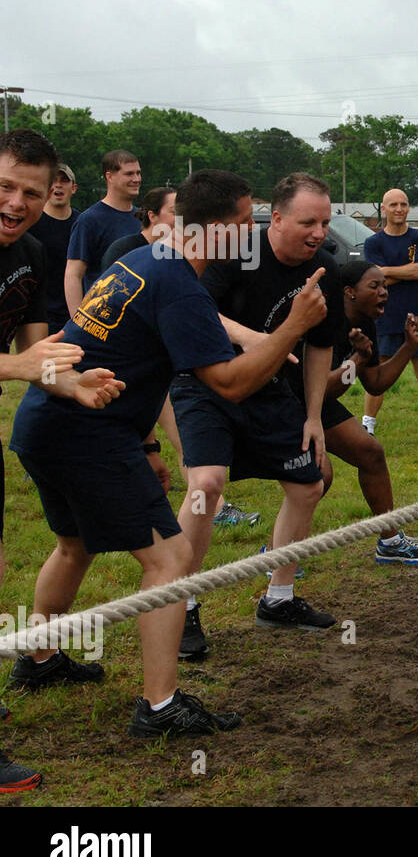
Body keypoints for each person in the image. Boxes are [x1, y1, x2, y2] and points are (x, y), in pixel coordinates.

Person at [9, 167, 323, 738]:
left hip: (46, 423)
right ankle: (160, 707)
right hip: (84, 434)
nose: (249, 236)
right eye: (242, 225)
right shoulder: (177, 281)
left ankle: (38, 659)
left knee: (73, 545)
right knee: (169, 563)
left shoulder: (146, 262)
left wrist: (149, 445)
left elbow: (128, 360)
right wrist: (291, 328)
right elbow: (229, 384)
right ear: (213, 232)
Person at [171, 172, 343, 657]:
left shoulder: (327, 269)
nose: (319, 232)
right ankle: (182, 606)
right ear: (279, 218)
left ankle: (279, 598)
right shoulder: (236, 251)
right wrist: (255, 339)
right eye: (308, 221)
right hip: (205, 382)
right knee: (205, 485)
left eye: (325, 222)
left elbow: (320, 347)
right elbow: (194, 304)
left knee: (309, 485)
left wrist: (314, 416)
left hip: (268, 392)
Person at [0, 129, 124, 787]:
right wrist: (19, 364)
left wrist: (73, 383)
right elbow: (22, 359)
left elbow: (38, 357)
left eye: (30, 190)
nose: (16, 202)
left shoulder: (29, 256)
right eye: (4, 186)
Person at [316, 259, 418, 565]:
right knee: (318, 476)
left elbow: (376, 384)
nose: (384, 292)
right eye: (375, 286)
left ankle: (390, 542)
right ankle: (278, 553)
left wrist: (409, 347)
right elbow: (323, 389)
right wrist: (357, 359)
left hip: (318, 403)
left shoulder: (364, 322)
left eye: (384, 285)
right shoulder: (325, 319)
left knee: (370, 453)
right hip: (290, 401)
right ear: (349, 292)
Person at [359, 189, 418, 444]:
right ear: (383, 209)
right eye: (393, 205)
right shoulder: (373, 243)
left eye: (404, 204)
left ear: (409, 208)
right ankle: (368, 427)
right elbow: (375, 279)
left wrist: (387, 272)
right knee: (379, 375)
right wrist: (396, 273)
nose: (399, 209)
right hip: (384, 316)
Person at [64, 149, 141, 313]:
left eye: (138, 173)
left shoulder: (144, 218)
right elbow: (73, 275)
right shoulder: (90, 220)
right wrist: (77, 324)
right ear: (109, 176)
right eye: (129, 174)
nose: (136, 179)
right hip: (102, 317)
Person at [27, 163, 78, 330]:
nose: (58, 185)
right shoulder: (31, 222)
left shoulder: (83, 223)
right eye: (53, 181)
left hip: (76, 312)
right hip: (40, 314)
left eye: (64, 180)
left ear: (74, 188)